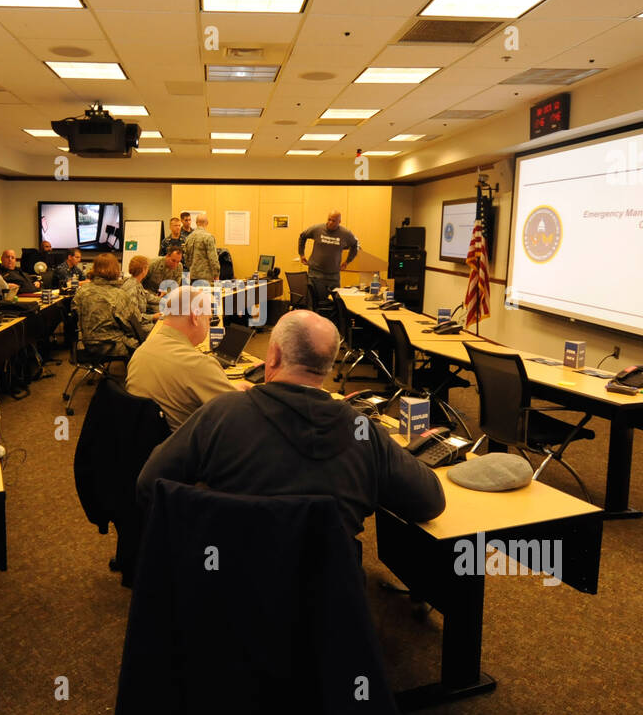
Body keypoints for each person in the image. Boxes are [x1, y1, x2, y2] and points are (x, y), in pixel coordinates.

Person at [136, 310, 444, 545]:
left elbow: (149, 482)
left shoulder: (221, 414)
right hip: (327, 607)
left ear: (274, 355)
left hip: (229, 593)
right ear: (328, 365)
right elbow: (430, 502)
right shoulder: (363, 432)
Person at [127, 285, 250, 431]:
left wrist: (228, 388)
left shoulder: (143, 350)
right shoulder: (199, 364)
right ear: (196, 317)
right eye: (209, 319)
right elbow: (238, 416)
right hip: (184, 449)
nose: (209, 326)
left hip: (143, 443)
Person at [71, 252, 147, 357]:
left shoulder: (81, 291)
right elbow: (132, 326)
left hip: (84, 344)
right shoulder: (118, 295)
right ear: (116, 269)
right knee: (148, 342)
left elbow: (75, 315)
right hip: (111, 345)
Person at [298, 209, 359, 308]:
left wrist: (347, 261)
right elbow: (302, 236)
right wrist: (301, 254)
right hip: (315, 273)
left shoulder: (345, 233)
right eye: (329, 219)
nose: (330, 222)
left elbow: (355, 245)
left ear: (339, 221)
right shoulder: (317, 229)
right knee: (314, 304)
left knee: (335, 305)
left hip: (333, 276)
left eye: (333, 221)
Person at [122, 255, 162, 337]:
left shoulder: (136, 283)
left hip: (140, 323)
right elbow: (134, 317)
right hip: (136, 328)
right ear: (144, 270)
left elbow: (148, 297)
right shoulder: (132, 288)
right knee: (162, 331)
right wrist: (153, 317)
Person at [185, 213, 220, 285]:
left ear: (196, 223)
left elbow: (186, 258)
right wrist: (216, 274)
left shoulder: (189, 237)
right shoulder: (208, 237)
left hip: (192, 276)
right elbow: (213, 258)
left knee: (195, 296)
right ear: (207, 223)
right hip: (206, 277)